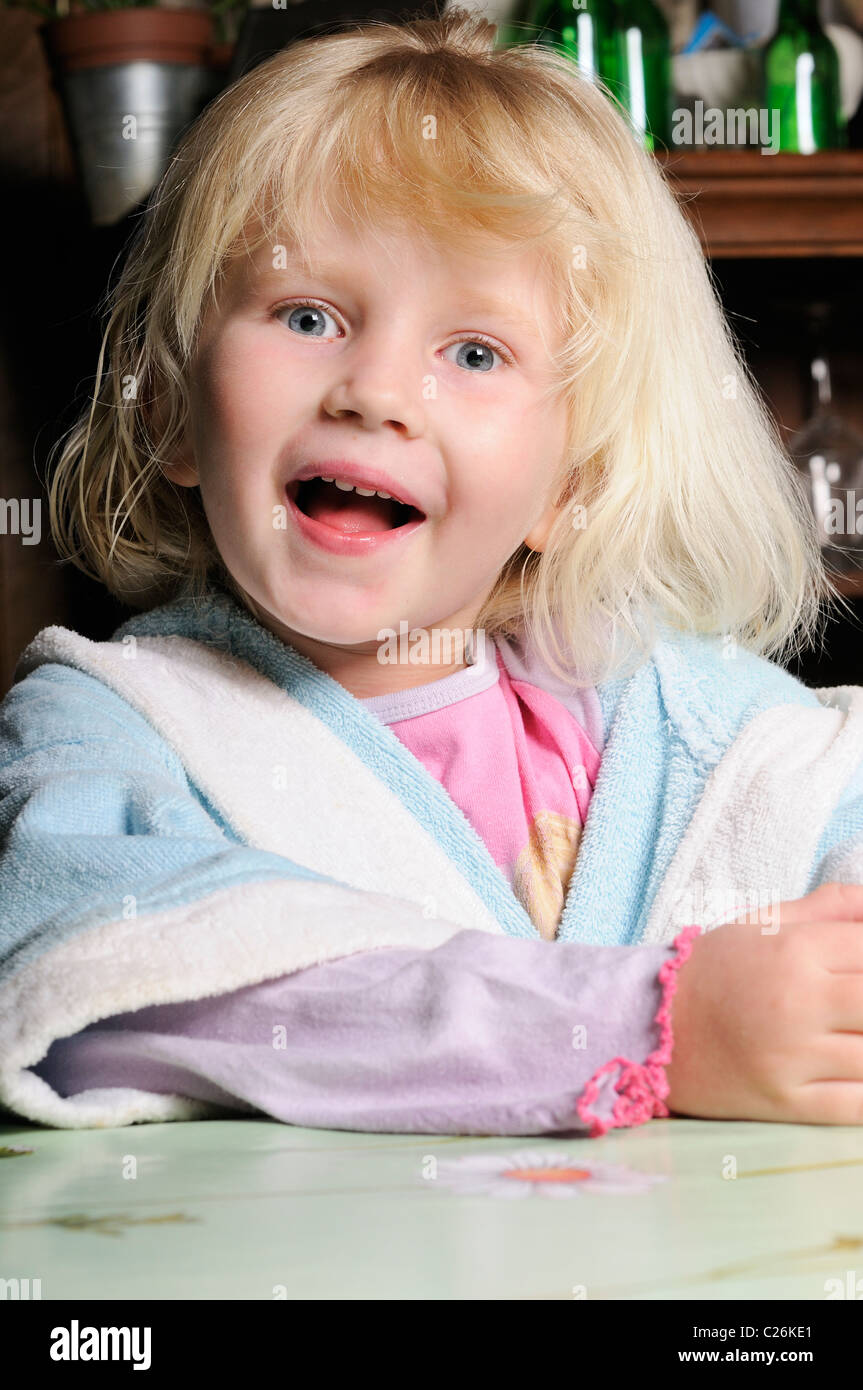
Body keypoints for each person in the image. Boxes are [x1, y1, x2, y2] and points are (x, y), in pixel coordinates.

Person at [3, 7, 863, 1139]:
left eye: (473, 351)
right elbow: (122, 982)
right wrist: (646, 1025)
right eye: (306, 314)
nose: (375, 390)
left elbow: (825, 814)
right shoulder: (113, 724)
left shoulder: (675, 719)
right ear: (165, 407)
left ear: (571, 483)